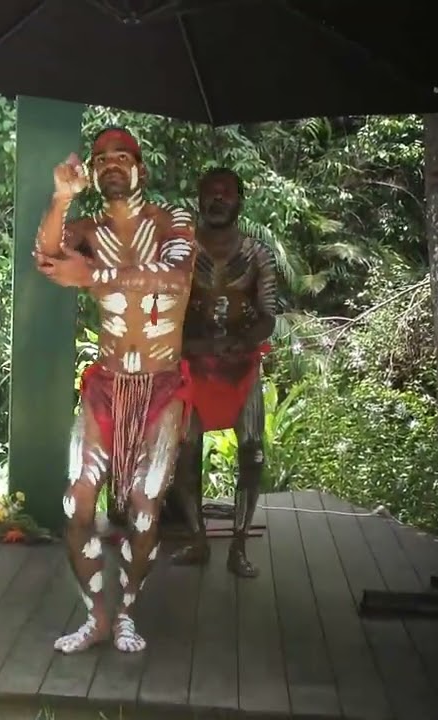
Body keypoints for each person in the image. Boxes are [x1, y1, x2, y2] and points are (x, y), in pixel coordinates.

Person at [34, 127, 197, 654]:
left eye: (120, 157)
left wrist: (95, 274)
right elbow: (48, 255)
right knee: (76, 501)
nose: (109, 165)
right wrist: (61, 197)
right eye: (101, 159)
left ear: (140, 169)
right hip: (106, 385)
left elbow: (175, 277)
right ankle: (97, 616)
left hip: (161, 387)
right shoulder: (88, 228)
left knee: (146, 507)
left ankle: (127, 610)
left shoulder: (172, 221)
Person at [170, 168, 278, 578]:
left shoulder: (257, 254)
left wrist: (245, 338)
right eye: (209, 193)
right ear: (199, 199)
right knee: (185, 453)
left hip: (240, 368)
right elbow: (163, 308)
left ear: (239, 201)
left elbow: (268, 315)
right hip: (190, 365)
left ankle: (238, 547)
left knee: (252, 451)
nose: (217, 199)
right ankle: (197, 540)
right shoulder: (178, 252)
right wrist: (187, 346)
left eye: (226, 193)